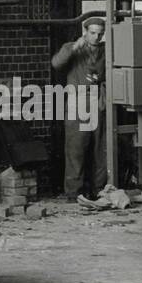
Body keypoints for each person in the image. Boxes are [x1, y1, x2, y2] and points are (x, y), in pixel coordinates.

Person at [51, 17, 107, 201]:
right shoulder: (72, 48)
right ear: (85, 32)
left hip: (98, 101)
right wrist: (74, 47)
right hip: (77, 102)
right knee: (75, 148)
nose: (96, 37)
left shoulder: (105, 50)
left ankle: (100, 190)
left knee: (101, 147)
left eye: (100, 33)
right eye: (93, 33)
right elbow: (56, 63)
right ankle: (73, 193)